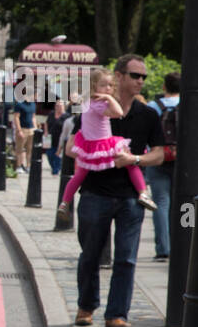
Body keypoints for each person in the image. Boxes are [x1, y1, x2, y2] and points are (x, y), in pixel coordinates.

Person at [70, 54, 165, 327]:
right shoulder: (92, 109)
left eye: (143, 77)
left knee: (126, 257)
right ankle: (86, 306)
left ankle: (117, 315)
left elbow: (159, 154)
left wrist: (134, 159)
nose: (141, 81)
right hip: (94, 193)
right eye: (135, 75)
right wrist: (83, 151)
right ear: (119, 76)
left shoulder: (148, 115)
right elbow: (71, 145)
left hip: (130, 198)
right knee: (90, 255)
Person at [57, 68, 156, 222]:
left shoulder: (87, 102)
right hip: (104, 143)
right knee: (130, 163)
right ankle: (143, 192)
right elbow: (118, 113)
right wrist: (109, 99)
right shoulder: (100, 104)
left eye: (110, 85)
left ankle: (64, 202)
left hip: (88, 145)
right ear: (94, 86)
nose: (108, 89)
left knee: (80, 174)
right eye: (104, 85)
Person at [145, 72, 179, 260]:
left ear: (164, 87)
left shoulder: (153, 106)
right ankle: (184, 241)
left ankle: (163, 248)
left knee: (161, 204)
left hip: (157, 158)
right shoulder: (189, 104)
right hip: (184, 162)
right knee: (185, 203)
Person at [12, 81, 37, 172]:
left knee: (29, 150)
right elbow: (16, 117)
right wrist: (19, 130)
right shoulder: (20, 104)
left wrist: (35, 128)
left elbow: (33, 117)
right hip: (22, 128)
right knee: (19, 149)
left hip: (31, 129)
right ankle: (18, 166)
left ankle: (28, 166)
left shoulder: (33, 104)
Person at [43, 98, 66, 175]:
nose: (58, 107)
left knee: (58, 156)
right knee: (49, 154)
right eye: (57, 105)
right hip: (50, 139)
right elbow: (46, 123)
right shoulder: (51, 113)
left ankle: (56, 170)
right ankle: (54, 168)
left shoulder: (66, 116)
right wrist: (46, 131)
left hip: (60, 140)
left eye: (60, 105)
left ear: (64, 107)